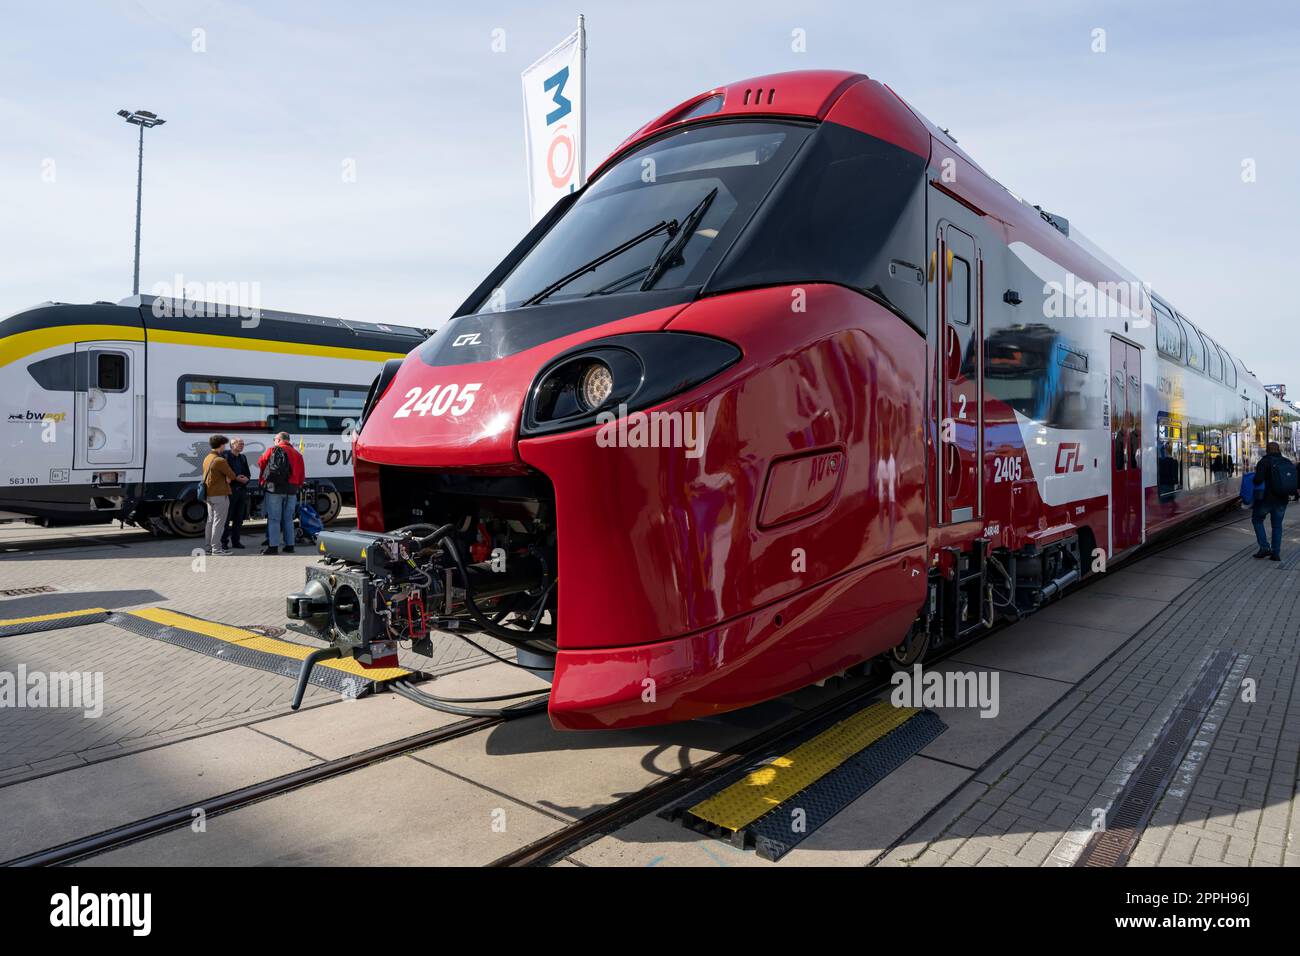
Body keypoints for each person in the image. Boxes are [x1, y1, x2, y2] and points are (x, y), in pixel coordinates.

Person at [257, 431, 306, 555]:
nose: (274, 441)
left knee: (274, 519)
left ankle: (273, 547)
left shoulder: (273, 450)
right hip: (292, 490)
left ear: (279, 440)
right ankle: (290, 546)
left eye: (275, 439)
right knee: (288, 519)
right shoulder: (298, 454)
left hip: (275, 489)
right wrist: (297, 485)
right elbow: (302, 474)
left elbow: (261, 462)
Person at [1251, 441, 1300, 561]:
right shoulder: (1287, 462)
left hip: (1266, 499)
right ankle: (1276, 553)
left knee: (1257, 519)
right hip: (1282, 499)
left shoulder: (1264, 462)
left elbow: (1258, 480)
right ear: (1279, 450)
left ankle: (1264, 547)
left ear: (1267, 450)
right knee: (1277, 526)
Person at [202, 435, 247, 556]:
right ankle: (216, 549)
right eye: (224, 444)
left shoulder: (208, 458)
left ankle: (208, 547)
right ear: (221, 445)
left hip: (210, 494)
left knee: (210, 522)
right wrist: (228, 477)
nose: (225, 447)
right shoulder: (220, 460)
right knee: (219, 522)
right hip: (220, 494)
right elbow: (232, 475)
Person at [221, 437, 252, 549]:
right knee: (226, 518)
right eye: (240, 444)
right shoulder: (225, 456)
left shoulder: (243, 457)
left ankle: (236, 541)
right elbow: (224, 473)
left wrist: (246, 479)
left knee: (239, 519)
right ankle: (223, 542)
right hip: (230, 491)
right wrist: (236, 478)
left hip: (241, 491)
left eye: (243, 444)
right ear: (232, 445)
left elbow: (248, 473)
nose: (242, 446)